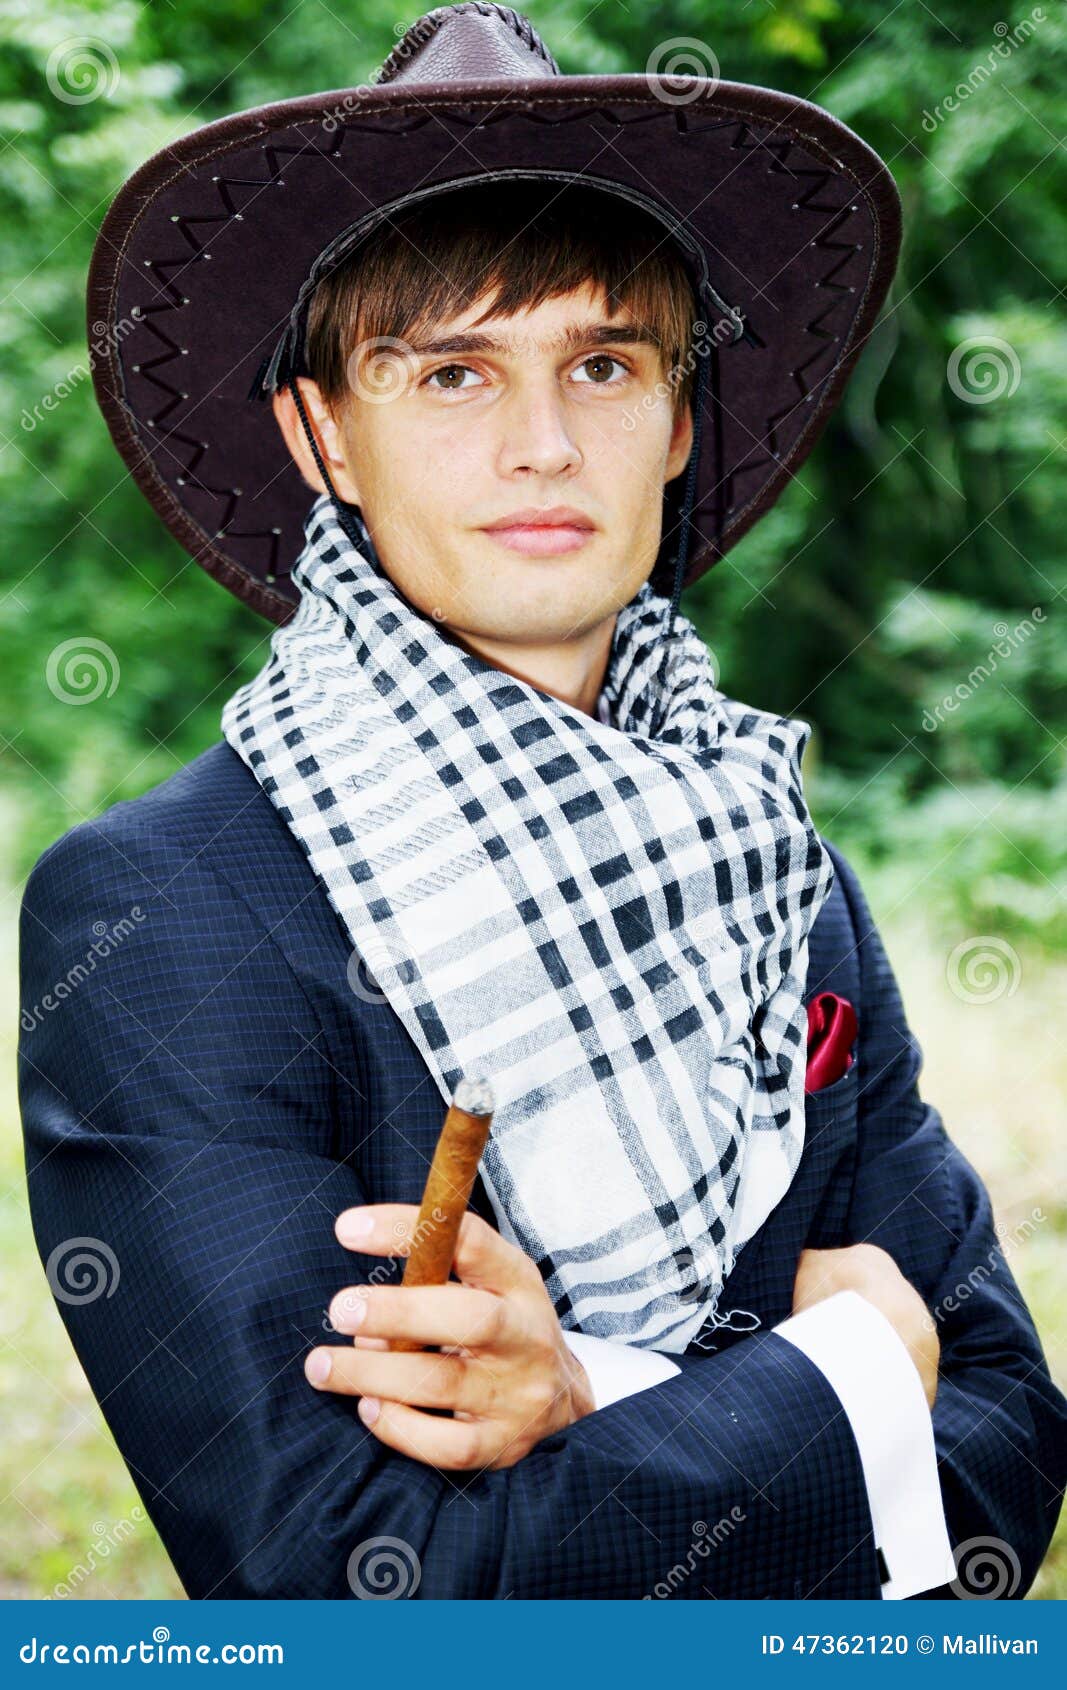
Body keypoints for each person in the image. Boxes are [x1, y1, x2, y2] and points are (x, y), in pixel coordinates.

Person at [18, 5, 1065, 1601]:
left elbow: (1006, 1466)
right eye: (449, 372)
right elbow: (360, 1580)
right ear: (323, 436)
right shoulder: (158, 913)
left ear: (679, 419)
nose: (543, 441)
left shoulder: (778, 857)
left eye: (603, 360)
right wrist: (847, 1368)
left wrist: (581, 1405)